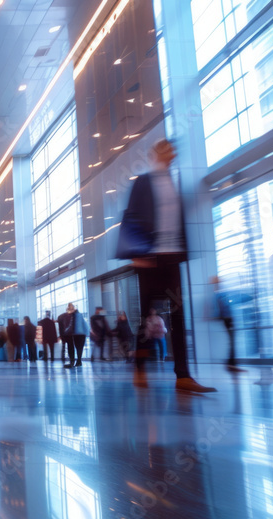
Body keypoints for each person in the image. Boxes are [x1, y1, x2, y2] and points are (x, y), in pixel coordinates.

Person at [116, 139, 216, 392]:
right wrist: (135, 254)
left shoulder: (174, 182)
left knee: (178, 315)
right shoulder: (143, 182)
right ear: (156, 154)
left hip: (172, 257)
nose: (172, 152)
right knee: (145, 317)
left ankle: (183, 376)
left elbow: (177, 223)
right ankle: (139, 368)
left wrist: (184, 252)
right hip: (149, 258)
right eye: (167, 149)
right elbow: (131, 216)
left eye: (173, 149)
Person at [211, 276, 245, 373]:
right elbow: (220, 308)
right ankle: (231, 364)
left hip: (228, 319)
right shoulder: (219, 295)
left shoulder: (219, 294)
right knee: (232, 342)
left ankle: (231, 364)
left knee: (232, 342)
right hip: (228, 319)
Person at [62, 303, 87, 368]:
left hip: (76, 334)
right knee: (79, 348)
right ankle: (78, 361)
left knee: (74, 347)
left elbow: (71, 325)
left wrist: (65, 332)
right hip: (81, 334)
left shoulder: (73, 316)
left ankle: (74, 362)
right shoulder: (79, 315)